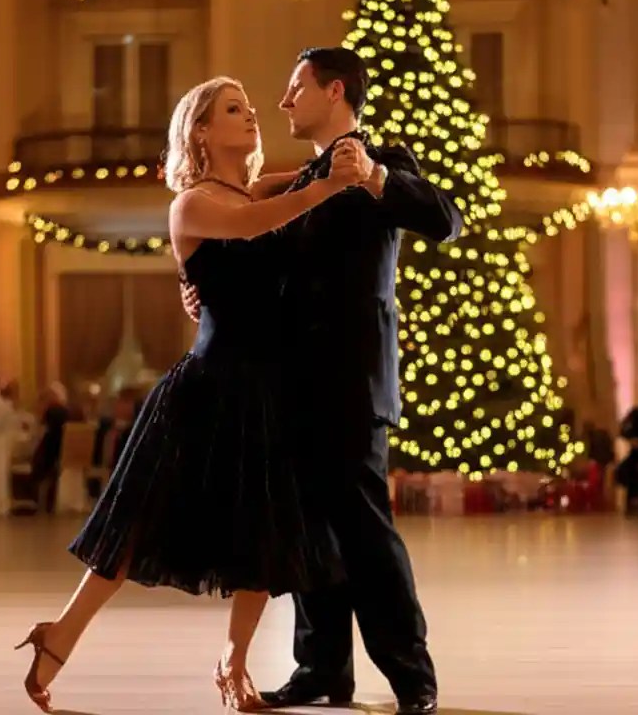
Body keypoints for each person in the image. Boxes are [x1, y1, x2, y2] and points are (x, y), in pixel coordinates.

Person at [15, 76, 362, 713]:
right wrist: (329, 184)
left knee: (263, 536)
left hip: (264, 391)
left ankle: (234, 667)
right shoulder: (191, 204)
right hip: (204, 391)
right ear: (200, 130)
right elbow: (258, 222)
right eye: (234, 109)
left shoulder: (244, 188)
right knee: (134, 529)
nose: (252, 115)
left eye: (251, 107)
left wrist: (341, 162)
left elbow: (271, 191)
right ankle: (58, 636)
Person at [181, 46, 463, 715]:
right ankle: (322, 668)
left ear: (335, 92)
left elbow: (446, 220)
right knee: (308, 531)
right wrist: (205, 291)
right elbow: (255, 259)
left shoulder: (380, 162)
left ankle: (411, 676)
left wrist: (373, 179)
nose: (282, 103)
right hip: (287, 384)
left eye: (294, 88)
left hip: (352, 377)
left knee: (365, 530)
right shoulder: (301, 181)